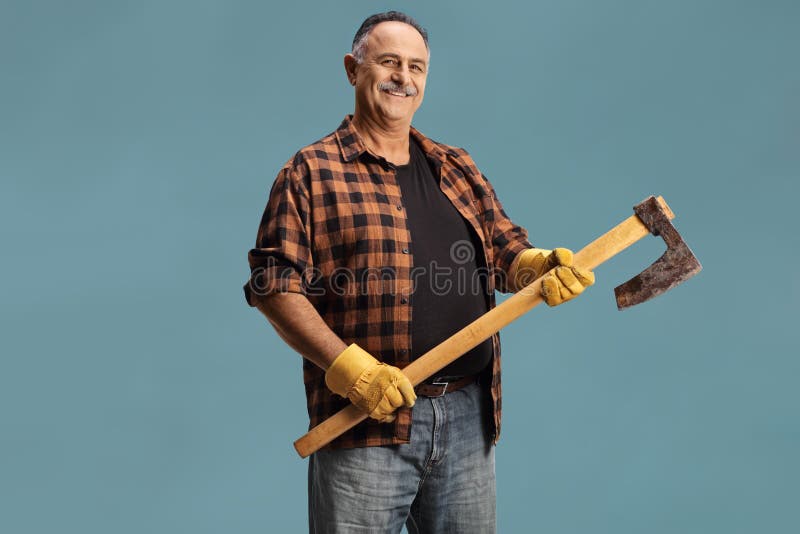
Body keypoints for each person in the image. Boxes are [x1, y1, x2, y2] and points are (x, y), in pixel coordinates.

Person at [243, 11, 595, 534]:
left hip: (468, 416)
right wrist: (350, 370)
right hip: (365, 425)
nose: (403, 78)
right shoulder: (310, 172)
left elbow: (505, 251)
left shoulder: (455, 165)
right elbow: (274, 286)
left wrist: (538, 265)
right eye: (388, 62)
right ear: (352, 69)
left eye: (416, 67)